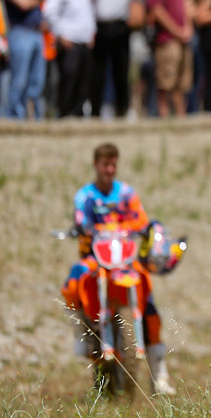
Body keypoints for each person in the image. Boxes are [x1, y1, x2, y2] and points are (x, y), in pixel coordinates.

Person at [61, 142, 176, 395]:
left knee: (148, 295)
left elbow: (141, 218)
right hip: (95, 257)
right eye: (105, 165)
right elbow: (80, 219)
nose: (109, 170)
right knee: (73, 281)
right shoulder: (85, 195)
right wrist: (83, 228)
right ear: (96, 165)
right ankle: (80, 330)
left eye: (113, 164)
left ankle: (160, 376)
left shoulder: (125, 193)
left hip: (125, 259)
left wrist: (143, 227)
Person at [86, 0, 139, 118]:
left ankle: (122, 110)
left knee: (121, 72)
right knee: (97, 73)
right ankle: (95, 112)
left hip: (121, 27)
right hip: (101, 26)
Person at [1, 0, 50, 119]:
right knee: (19, 80)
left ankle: (35, 117)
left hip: (37, 33)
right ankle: (15, 116)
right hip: (19, 33)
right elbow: (23, 3)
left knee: (37, 81)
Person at [42, 0, 96, 117]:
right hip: (69, 42)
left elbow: (88, 14)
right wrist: (60, 34)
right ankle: (65, 112)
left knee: (83, 81)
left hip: (84, 42)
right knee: (69, 79)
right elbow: (48, 13)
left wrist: (91, 33)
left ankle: (78, 113)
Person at [147, 0, 194, 117]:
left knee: (181, 84)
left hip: (182, 39)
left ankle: (181, 116)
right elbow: (156, 11)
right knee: (165, 83)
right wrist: (177, 31)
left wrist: (187, 28)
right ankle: (164, 116)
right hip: (167, 40)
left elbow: (185, 6)